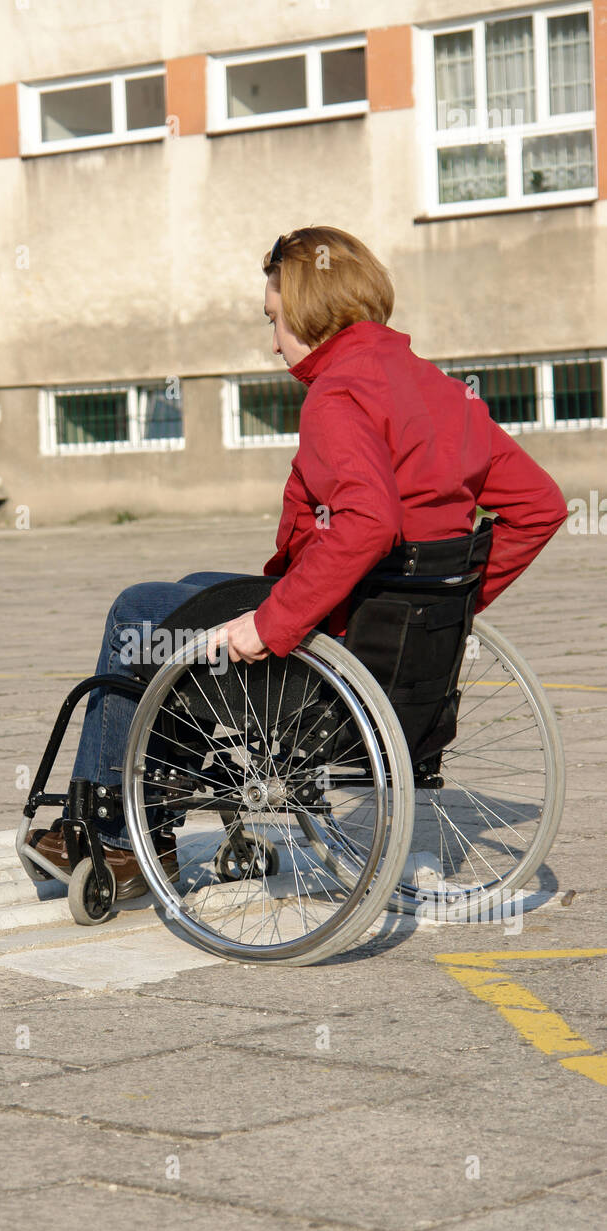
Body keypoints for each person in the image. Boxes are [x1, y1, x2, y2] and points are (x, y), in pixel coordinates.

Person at [35, 225, 568, 897]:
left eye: (275, 320)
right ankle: (156, 810)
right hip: (395, 644)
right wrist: (446, 605)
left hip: (329, 655)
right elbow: (541, 506)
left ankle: (118, 838)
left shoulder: (338, 393)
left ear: (311, 311)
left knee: (140, 611)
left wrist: (272, 623)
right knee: (198, 591)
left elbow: (369, 521)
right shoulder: (435, 389)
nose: (272, 339)